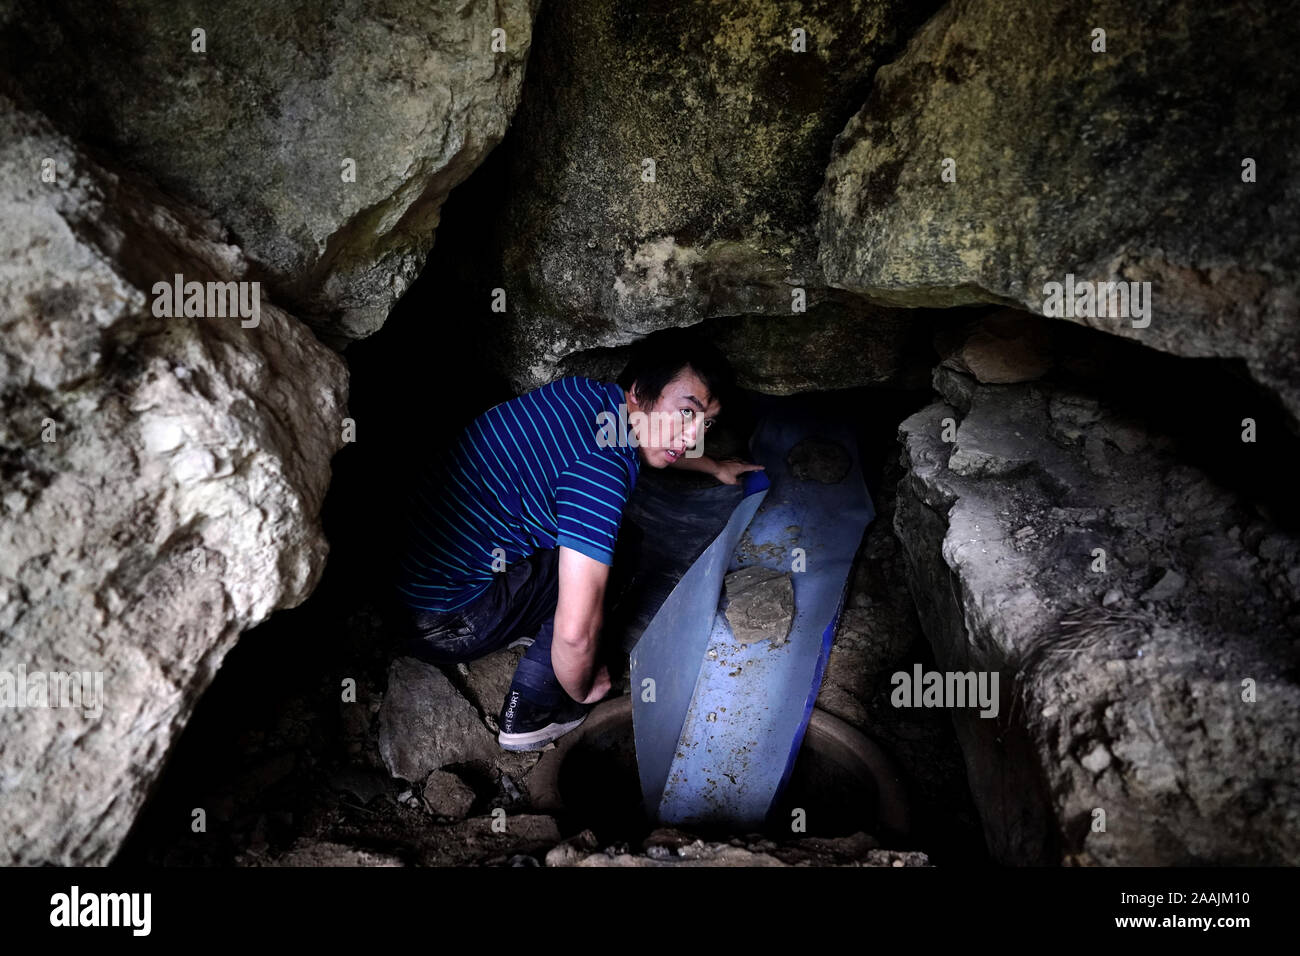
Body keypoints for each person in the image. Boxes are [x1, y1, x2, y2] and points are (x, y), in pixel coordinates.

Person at [390, 327, 764, 750]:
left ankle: (518, 619)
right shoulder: (601, 474)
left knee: (576, 545)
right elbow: (575, 633)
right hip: (443, 619)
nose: (695, 435)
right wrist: (582, 686)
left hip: (406, 577)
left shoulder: (582, 396)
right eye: (686, 412)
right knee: (619, 552)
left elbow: (653, 442)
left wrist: (714, 467)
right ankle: (531, 710)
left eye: (706, 422)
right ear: (641, 391)